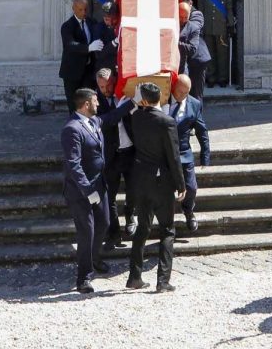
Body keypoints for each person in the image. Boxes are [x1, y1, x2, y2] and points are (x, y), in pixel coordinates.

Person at [126, 82, 184, 292]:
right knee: (167, 230)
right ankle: (163, 280)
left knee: (143, 228)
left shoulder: (136, 116)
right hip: (162, 182)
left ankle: (134, 276)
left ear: (143, 99)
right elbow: (173, 155)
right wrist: (180, 183)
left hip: (141, 179)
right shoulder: (166, 121)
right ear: (161, 97)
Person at [61, 87, 111, 293]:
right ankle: (84, 277)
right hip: (81, 191)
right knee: (86, 232)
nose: (98, 103)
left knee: (104, 224)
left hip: (99, 186)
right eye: (96, 101)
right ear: (86, 104)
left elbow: (112, 117)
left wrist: (133, 103)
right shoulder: (72, 129)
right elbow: (73, 164)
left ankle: (94, 257)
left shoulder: (94, 122)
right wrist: (87, 189)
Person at [95, 68, 135, 249]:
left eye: (109, 85)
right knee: (109, 198)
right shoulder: (95, 101)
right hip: (111, 156)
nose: (106, 89)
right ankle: (114, 234)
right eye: (102, 86)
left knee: (133, 191)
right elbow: (108, 120)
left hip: (130, 151)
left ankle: (130, 216)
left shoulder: (124, 93)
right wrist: (127, 106)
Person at [168, 73, 210, 233]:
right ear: (174, 88)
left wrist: (205, 155)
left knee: (191, 187)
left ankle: (188, 210)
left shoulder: (194, 104)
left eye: (187, 92)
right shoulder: (163, 101)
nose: (183, 96)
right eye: (180, 92)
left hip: (184, 153)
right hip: (166, 155)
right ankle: (167, 220)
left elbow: (201, 130)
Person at [58, 0, 105, 109]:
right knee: (74, 104)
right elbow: (70, 45)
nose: (83, 12)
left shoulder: (91, 22)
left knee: (88, 102)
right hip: (72, 72)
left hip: (88, 71)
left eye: (85, 9)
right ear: (73, 9)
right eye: (80, 9)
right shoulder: (67, 26)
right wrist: (89, 48)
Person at [198, 0, 234, 88]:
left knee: (222, 55)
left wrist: (230, 25)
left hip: (221, 29)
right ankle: (211, 77)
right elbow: (200, 12)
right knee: (210, 54)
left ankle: (223, 77)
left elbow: (229, 10)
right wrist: (200, 28)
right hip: (208, 29)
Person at [178, 0, 210, 100]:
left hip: (197, 59)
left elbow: (192, 29)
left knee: (196, 95)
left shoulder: (196, 14)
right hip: (186, 61)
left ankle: (196, 115)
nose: (183, 20)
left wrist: (175, 42)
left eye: (185, 17)